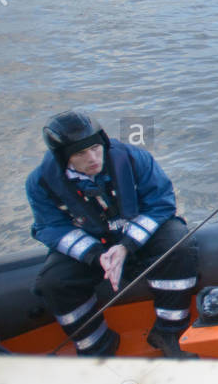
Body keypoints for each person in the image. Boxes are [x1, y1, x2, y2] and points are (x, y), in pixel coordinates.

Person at [26, 111, 198, 357]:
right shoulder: (40, 183)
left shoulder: (135, 159)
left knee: (178, 246)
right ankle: (96, 346)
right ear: (63, 157)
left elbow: (161, 203)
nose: (93, 158)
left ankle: (169, 331)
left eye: (96, 148)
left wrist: (126, 245)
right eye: (80, 154)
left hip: (136, 235)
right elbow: (50, 227)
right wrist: (96, 254)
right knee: (54, 282)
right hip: (90, 245)